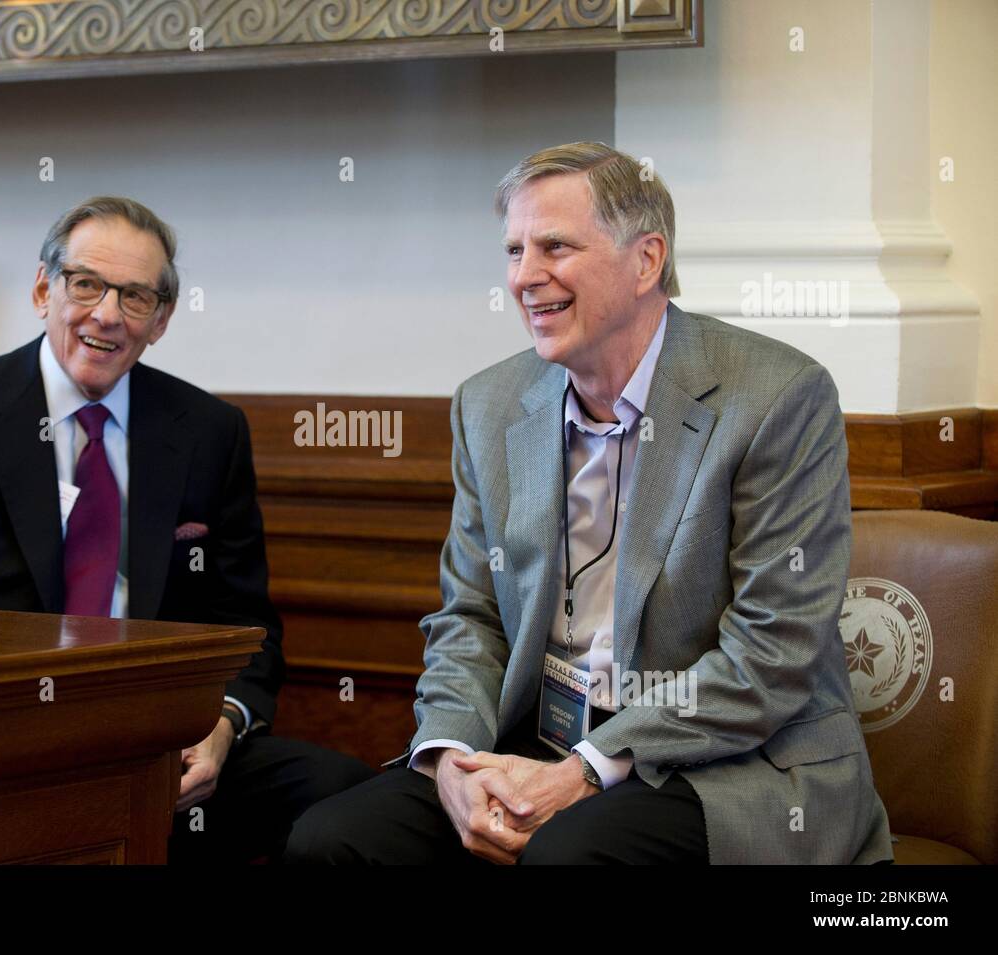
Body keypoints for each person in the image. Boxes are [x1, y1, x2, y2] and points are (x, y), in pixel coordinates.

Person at [286, 143, 894, 864]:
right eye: (513, 250)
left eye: (554, 247)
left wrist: (587, 767)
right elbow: (470, 616)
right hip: (537, 741)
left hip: (726, 764)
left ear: (646, 260)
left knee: (567, 858)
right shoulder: (490, 404)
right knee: (333, 841)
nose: (524, 277)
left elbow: (772, 655)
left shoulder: (774, 398)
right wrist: (448, 756)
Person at [0, 196, 373, 863]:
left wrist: (223, 726)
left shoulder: (208, 432)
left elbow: (246, 622)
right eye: (86, 284)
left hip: (165, 747)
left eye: (136, 296)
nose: (107, 314)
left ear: (161, 320)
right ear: (42, 289)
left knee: (342, 801)